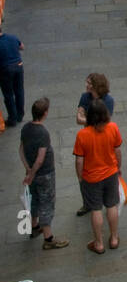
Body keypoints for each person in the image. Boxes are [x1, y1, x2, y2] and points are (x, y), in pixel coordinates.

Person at [73, 96, 123, 254]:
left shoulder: (83, 135)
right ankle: (114, 238)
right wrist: (118, 167)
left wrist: (80, 177)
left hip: (91, 177)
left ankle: (99, 243)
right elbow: (117, 150)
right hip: (110, 173)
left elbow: (79, 160)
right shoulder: (113, 128)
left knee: (95, 209)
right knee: (111, 205)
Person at [21, 98, 68, 249]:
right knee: (46, 203)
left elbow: (21, 149)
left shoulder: (26, 128)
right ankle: (48, 238)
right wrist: (33, 172)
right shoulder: (43, 133)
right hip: (44, 174)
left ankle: (34, 227)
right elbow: (41, 158)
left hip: (31, 173)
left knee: (34, 200)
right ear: (45, 113)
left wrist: (28, 169)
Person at [0, 21, 25, 128]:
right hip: (18, 66)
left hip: (5, 70)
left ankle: (12, 118)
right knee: (19, 91)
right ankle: (20, 115)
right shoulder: (12, 37)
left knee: (9, 94)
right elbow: (22, 47)